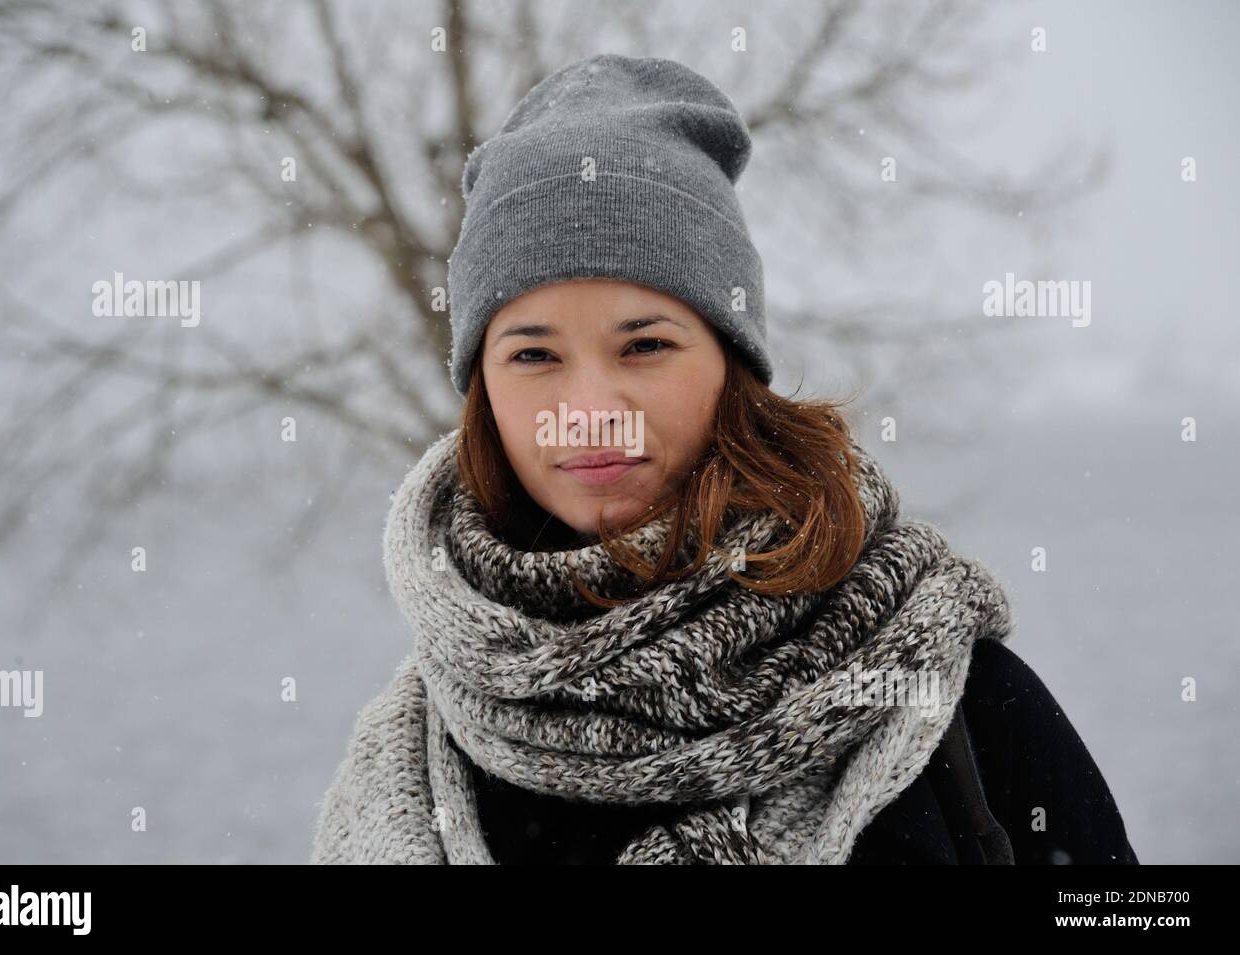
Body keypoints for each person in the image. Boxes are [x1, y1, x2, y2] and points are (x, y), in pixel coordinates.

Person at [309, 53, 1137, 865]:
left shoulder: (946, 692)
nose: (590, 411)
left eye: (645, 345)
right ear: (481, 389)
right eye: (533, 356)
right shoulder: (415, 754)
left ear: (731, 366)